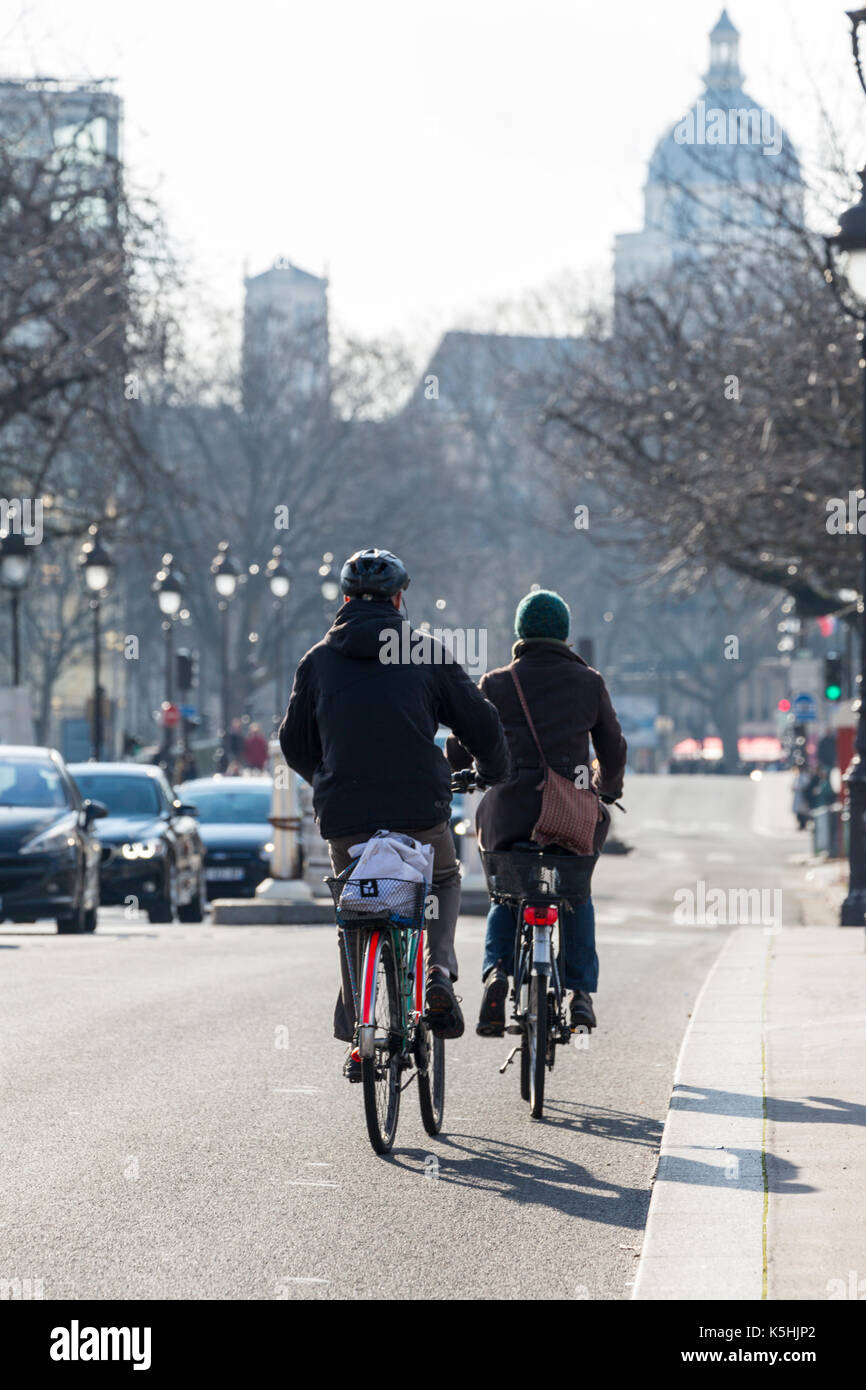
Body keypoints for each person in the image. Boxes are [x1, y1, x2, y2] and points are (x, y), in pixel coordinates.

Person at [279, 547, 509, 1076]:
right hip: (418, 808)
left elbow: (293, 742)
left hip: (347, 816)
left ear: (343, 599)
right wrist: (491, 770)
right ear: (400, 599)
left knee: (355, 907)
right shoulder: (426, 653)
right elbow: (482, 725)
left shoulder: (317, 661)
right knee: (444, 879)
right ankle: (438, 973)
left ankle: (358, 1030)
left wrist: (328, 777)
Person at [447, 589, 627, 1037]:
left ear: (521, 633)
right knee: (575, 891)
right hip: (571, 816)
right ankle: (580, 993)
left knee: (507, 891)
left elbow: (463, 741)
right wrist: (608, 788)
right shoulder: (589, 683)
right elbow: (613, 747)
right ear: (563, 634)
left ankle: (496, 974)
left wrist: (462, 771)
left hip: (511, 813)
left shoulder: (497, 683)